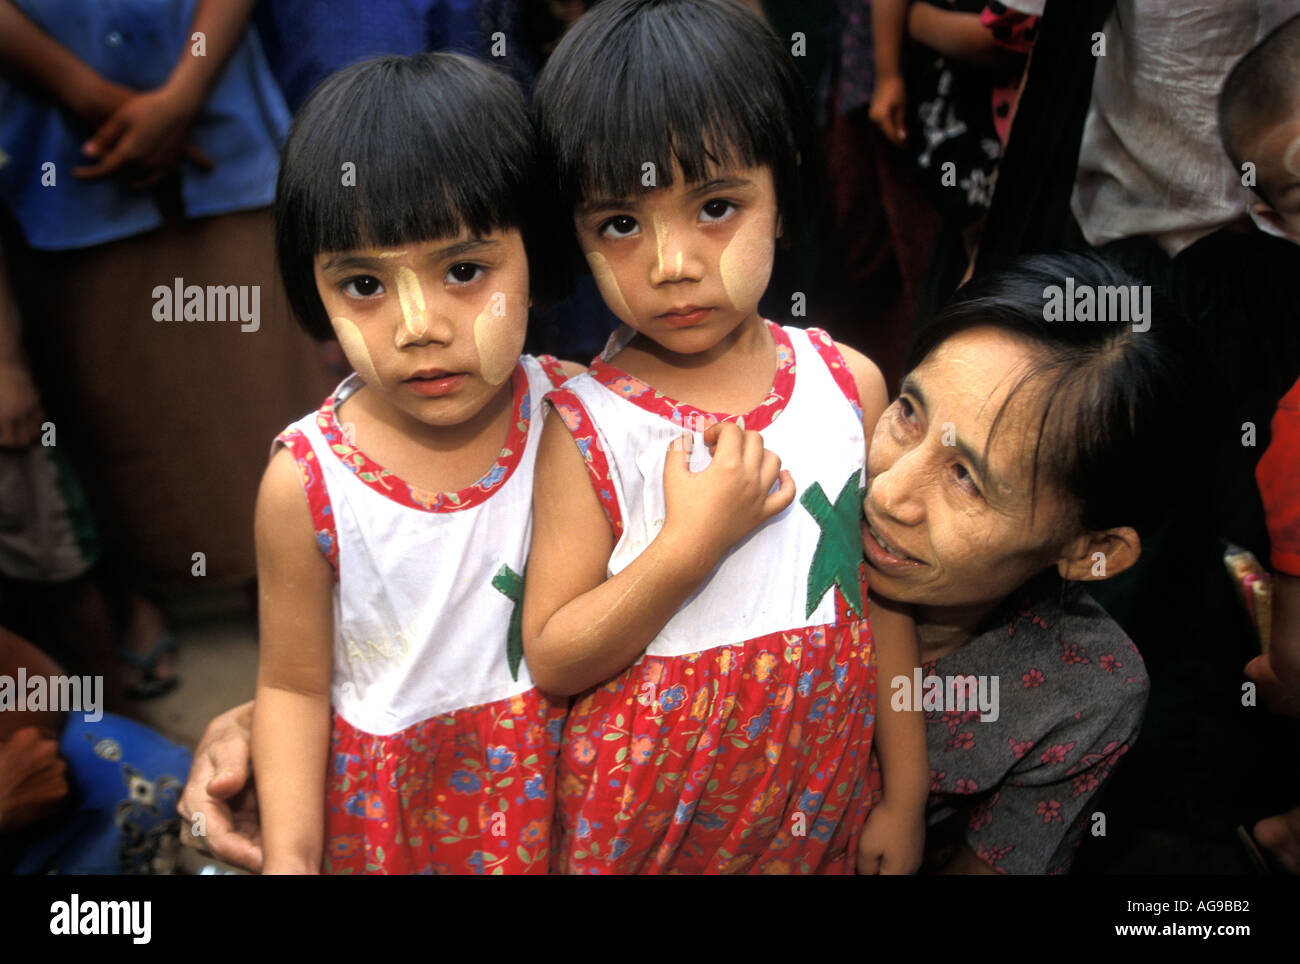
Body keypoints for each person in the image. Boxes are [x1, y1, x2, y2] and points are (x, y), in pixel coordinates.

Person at [521, 0, 927, 875]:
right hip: (651, 830)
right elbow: (554, 655)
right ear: (579, 237)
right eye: (621, 223)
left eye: (716, 205)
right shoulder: (589, 425)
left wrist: (905, 793)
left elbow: (885, 603)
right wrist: (686, 549)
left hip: (823, 806)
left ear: (782, 197)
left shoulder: (848, 386)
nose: (672, 263)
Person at [252, 52, 584, 875]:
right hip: (399, 829)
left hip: (575, 801)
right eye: (363, 283)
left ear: (536, 257)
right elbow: (293, 685)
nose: (418, 325)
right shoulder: (306, 484)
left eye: (464, 271)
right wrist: (292, 860)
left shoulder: (581, 417)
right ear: (313, 293)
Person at [866, 251, 1212, 872]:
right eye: (909, 413)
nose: (888, 493)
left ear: (1093, 551)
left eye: (967, 479)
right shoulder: (776, 499)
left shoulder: (1079, 691)